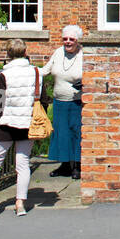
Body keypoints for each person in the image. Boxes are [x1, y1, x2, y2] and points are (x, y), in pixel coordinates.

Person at [0, 39, 49, 220]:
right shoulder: (36, 73)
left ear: (8, 55)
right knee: (23, 164)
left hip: (6, 123)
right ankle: (20, 203)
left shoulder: (4, 75)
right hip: (27, 123)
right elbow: (44, 99)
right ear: (25, 52)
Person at [42, 24, 85, 179]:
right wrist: (26, 71)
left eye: (71, 39)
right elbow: (45, 70)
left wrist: (85, 82)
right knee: (61, 133)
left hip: (76, 102)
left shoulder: (83, 55)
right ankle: (65, 165)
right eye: (65, 39)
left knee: (76, 133)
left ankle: (77, 166)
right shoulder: (58, 53)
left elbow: (93, 74)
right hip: (59, 101)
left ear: (77, 40)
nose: (67, 42)